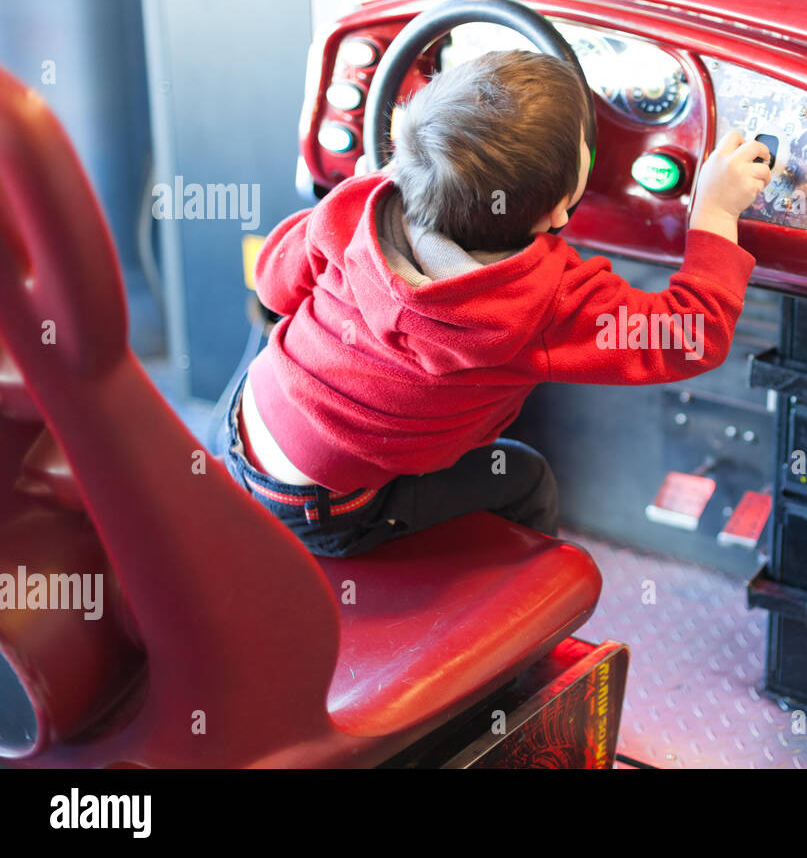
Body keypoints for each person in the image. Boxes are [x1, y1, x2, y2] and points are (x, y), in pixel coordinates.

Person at [222, 48, 771, 557]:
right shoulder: (547, 304)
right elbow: (689, 334)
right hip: (329, 511)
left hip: (244, 423)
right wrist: (716, 215)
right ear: (560, 211)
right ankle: (518, 643)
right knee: (525, 479)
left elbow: (274, 286)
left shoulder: (354, 205)